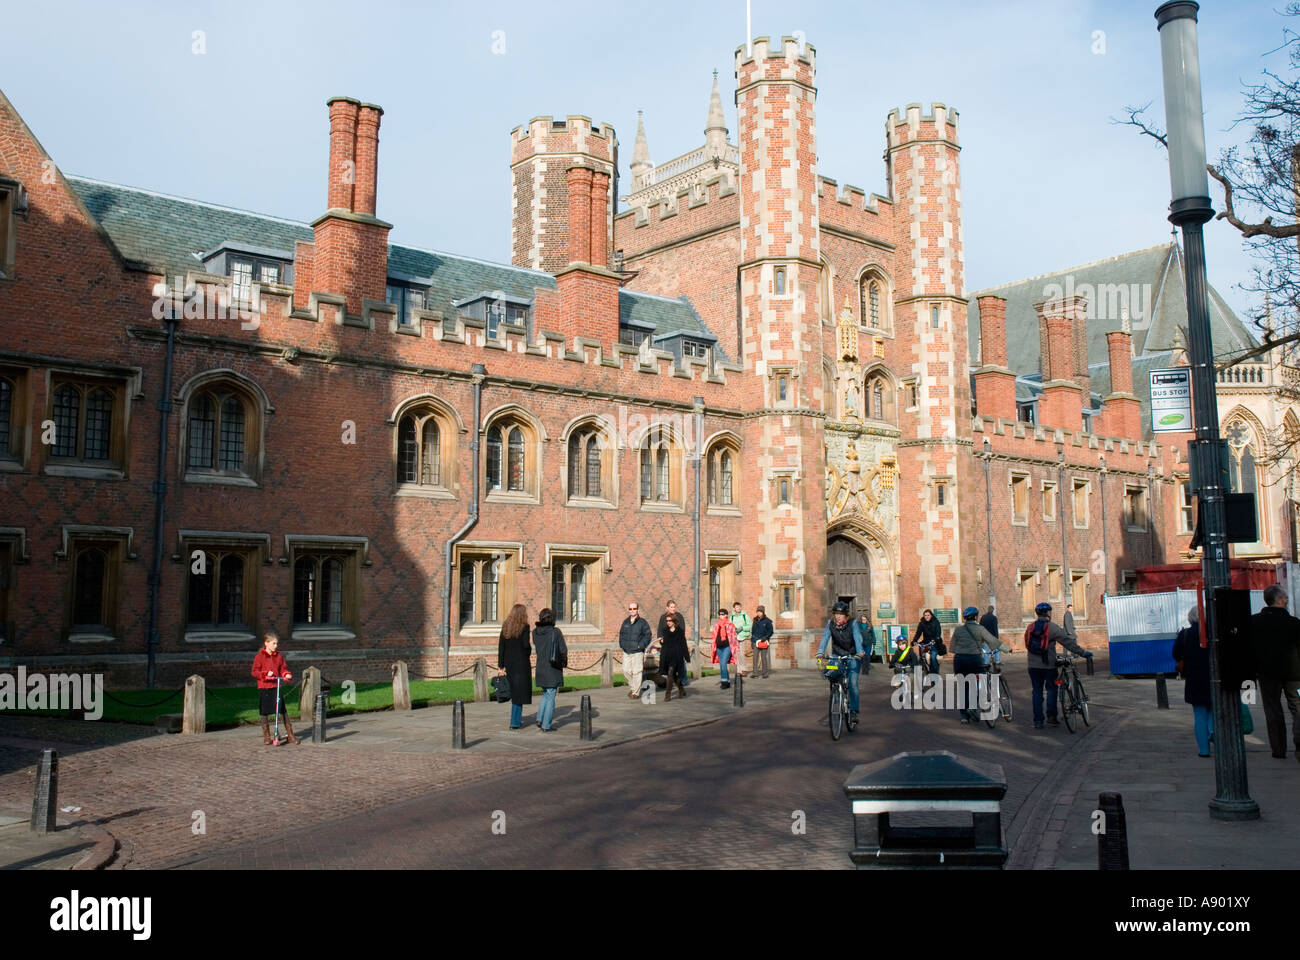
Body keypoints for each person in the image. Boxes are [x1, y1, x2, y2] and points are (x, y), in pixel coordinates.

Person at [1250, 583, 1300, 760]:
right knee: (1298, 708)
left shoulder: (1254, 622)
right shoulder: (1294, 623)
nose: (1286, 600)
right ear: (1280, 600)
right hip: (1295, 675)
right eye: (1285, 598)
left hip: (1267, 674)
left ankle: (1278, 749)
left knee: (1272, 710)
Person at [1025, 601, 1092, 729]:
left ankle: (1038, 721)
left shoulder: (1030, 627)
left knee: (1037, 692)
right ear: (1048, 613)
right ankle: (1051, 717)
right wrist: (1083, 652)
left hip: (1033, 666)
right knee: (1051, 690)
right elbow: (1068, 642)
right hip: (1049, 666)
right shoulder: (1053, 628)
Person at [951, 607, 1005, 722]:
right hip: (974, 659)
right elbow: (993, 641)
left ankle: (964, 716)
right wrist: (1007, 649)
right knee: (975, 684)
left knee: (962, 687)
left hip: (959, 660)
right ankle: (972, 707)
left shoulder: (958, 630)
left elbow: (952, 648)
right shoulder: (980, 629)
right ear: (976, 617)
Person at [1172, 606, 1212, 757]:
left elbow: (1175, 654)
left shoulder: (1185, 634)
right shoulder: (1213, 633)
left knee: (1199, 713)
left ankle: (1204, 750)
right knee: (1214, 709)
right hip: (1213, 677)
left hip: (1194, 678)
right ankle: (1212, 730)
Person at [818, 601, 865, 724]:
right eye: (836, 614)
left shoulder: (852, 623)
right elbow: (825, 638)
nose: (838, 616)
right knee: (830, 672)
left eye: (840, 614)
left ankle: (854, 711)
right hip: (837, 655)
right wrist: (820, 652)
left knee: (853, 683)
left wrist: (860, 652)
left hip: (852, 655)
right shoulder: (831, 624)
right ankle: (836, 696)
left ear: (845, 615)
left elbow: (857, 638)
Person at [251, 630, 298, 745]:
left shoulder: (279, 656)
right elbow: (254, 672)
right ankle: (267, 736)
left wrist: (286, 674)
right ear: (266, 643)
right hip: (264, 687)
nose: (276, 646)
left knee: (283, 710)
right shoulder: (259, 657)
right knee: (264, 711)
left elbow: (283, 668)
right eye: (273, 643)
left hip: (276, 686)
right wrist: (265, 674)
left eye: (276, 644)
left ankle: (290, 735)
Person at [497, 603, 532, 730]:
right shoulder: (525, 627)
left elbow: (501, 647)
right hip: (521, 664)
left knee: (515, 692)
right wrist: (529, 652)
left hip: (509, 664)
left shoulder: (506, 626)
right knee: (519, 694)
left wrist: (500, 665)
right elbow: (526, 645)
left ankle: (516, 720)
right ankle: (515, 722)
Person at [532, 607, 566, 732]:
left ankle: (540, 718)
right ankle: (546, 725)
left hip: (540, 667)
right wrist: (563, 662)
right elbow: (563, 650)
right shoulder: (555, 632)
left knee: (546, 694)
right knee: (551, 695)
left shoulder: (535, 632)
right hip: (552, 668)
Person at [619, 601, 653, 700]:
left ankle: (635, 693)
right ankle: (634, 687)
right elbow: (621, 635)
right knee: (626, 670)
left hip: (637, 651)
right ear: (628, 610)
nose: (632, 610)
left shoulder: (643, 622)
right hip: (627, 651)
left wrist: (640, 646)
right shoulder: (625, 622)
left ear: (637, 610)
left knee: (637, 672)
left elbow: (648, 635)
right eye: (630, 609)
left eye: (634, 609)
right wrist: (622, 645)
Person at [657, 600, 690, 686]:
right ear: (667, 608)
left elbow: (682, 629)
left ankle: (683, 679)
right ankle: (670, 680)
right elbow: (660, 630)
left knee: (680, 661)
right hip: (667, 644)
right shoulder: (663, 617)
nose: (673, 609)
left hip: (677, 643)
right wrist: (660, 639)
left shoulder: (679, 616)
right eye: (671, 607)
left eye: (674, 607)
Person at [710, 608, 739, 689]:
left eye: (722, 614)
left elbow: (734, 636)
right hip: (719, 647)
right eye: (720, 615)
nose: (721, 616)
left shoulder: (730, 624)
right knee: (722, 665)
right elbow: (714, 636)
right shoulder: (716, 625)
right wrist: (713, 646)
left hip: (727, 647)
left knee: (723, 664)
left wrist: (736, 647)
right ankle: (728, 681)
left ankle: (724, 682)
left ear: (726, 615)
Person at [912, 609, 942, 674]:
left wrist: (935, 639)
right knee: (921, 655)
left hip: (935, 642)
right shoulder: (922, 623)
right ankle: (923, 667)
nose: (927, 617)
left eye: (928, 615)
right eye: (925, 615)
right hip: (925, 641)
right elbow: (918, 633)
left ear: (931, 615)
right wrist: (914, 640)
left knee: (933, 657)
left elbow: (938, 632)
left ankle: (935, 673)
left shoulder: (936, 622)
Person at [751, 605, 774, 679]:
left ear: (763, 612)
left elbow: (771, 631)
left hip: (764, 641)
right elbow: (753, 631)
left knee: (764, 658)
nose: (759, 613)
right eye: (758, 611)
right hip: (756, 641)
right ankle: (755, 673)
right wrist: (752, 640)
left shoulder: (767, 621)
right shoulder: (755, 620)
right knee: (755, 658)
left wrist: (766, 637)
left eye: (760, 612)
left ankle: (765, 673)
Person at [731, 601, 752, 678]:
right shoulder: (732, 617)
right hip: (735, 637)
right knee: (736, 654)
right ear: (734, 608)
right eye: (736, 607)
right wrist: (734, 629)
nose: (738, 608)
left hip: (742, 637)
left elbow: (749, 625)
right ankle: (739, 670)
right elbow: (730, 626)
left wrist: (742, 628)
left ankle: (744, 669)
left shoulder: (745, 616)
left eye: (739, 607)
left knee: (742, 654)